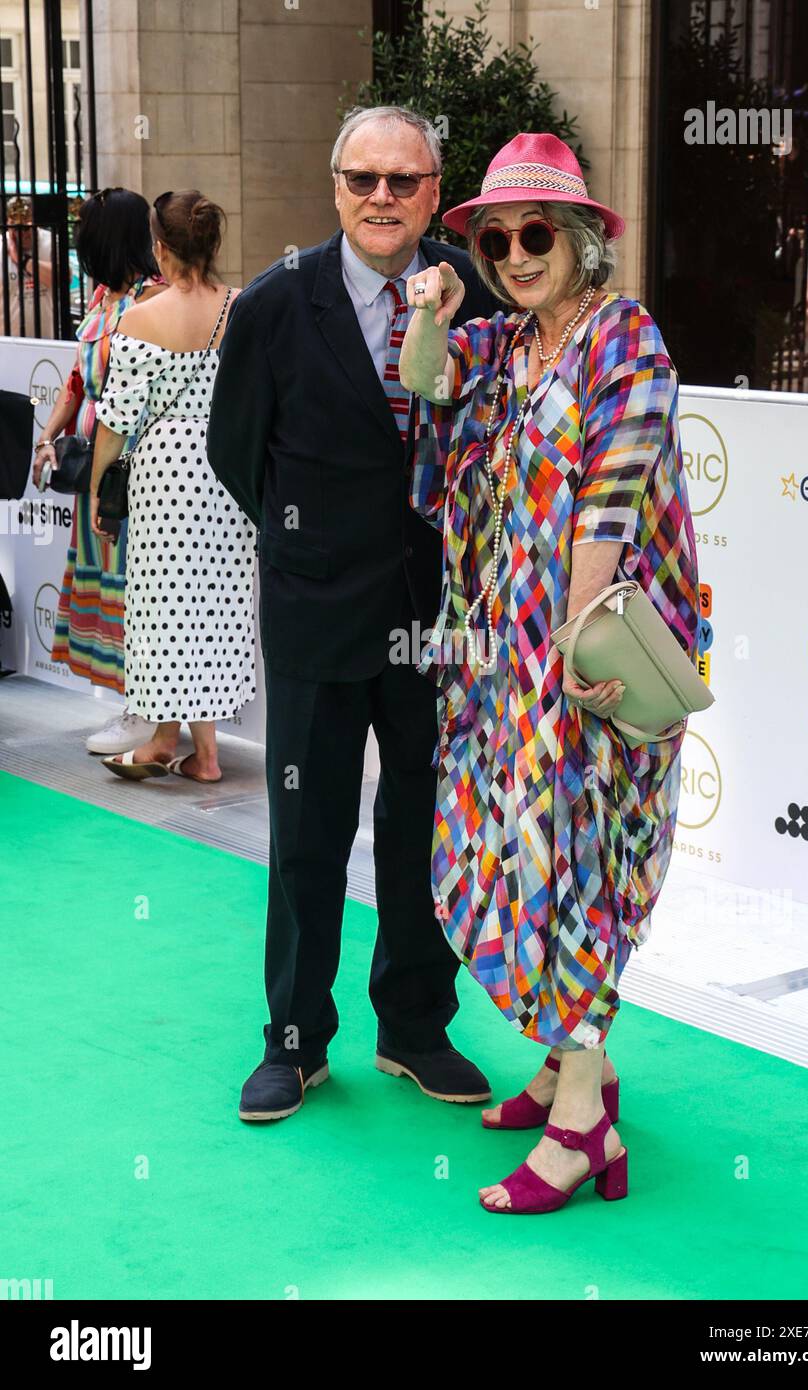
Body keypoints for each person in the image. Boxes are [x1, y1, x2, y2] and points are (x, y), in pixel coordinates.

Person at [399, 133, 702, 1214]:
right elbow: (420, 380)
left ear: (578, 240)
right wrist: (432, 308)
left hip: (587, 659)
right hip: (503, 659)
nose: (516, 253)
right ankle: (581, 1067)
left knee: (574, 870)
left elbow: (610, 509)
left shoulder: (627, 341)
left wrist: (577, 659)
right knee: (508, 851)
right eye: (496, 237)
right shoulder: (504, 342)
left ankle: (582, 1123)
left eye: (535, 235)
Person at [207, 105, 498, 1122]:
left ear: (432, 191)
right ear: (335, 187)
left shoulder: (484, 292)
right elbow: (237, 453)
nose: (383, 197)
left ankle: (416, 1026)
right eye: (364, 178)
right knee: (307, 831)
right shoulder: (277, 304)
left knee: (424, 827)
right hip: (316, 614)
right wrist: (310, 542)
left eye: (404, 181)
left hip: (438, 619)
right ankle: (295, 1041)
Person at [92, 190, 256, 784]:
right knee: (213, 606)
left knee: (162, 606)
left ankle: (171, 741)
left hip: (164, 473)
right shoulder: (242, 307)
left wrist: (94, 489)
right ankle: (193, 749)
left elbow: (115, 420)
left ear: (160, 247)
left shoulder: (140, 318)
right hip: (227, 471)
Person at [31, 188, 165, 755]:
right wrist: (47, 436)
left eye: (85, 229)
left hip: (134, 475)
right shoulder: (103, 298)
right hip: (96, 469)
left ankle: (147, 713)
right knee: (111, 587)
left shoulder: (153, 299)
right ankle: (132, 707)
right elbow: (77, 382)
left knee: (139, 591)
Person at [0, 197, 54, 337]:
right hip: (9, 340)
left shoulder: (49, 241)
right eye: (18, 228)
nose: (24, 233)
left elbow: (62, 279)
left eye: (27, 227)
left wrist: (22, 261)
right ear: (9, 224)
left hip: (46, 337)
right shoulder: (1, 247)